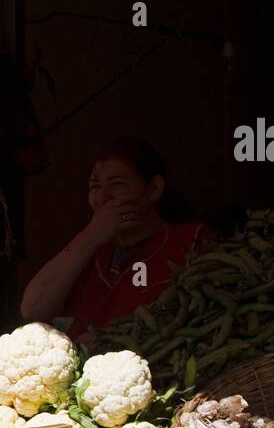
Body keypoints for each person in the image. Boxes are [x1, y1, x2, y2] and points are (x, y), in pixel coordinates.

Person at [20, 138, 206, 339]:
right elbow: (32, 310)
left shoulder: (192, 240)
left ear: (154, 189)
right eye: (95, 186)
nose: (103, 197)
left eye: (117, 184)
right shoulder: (86, 251)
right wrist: (92, 233)